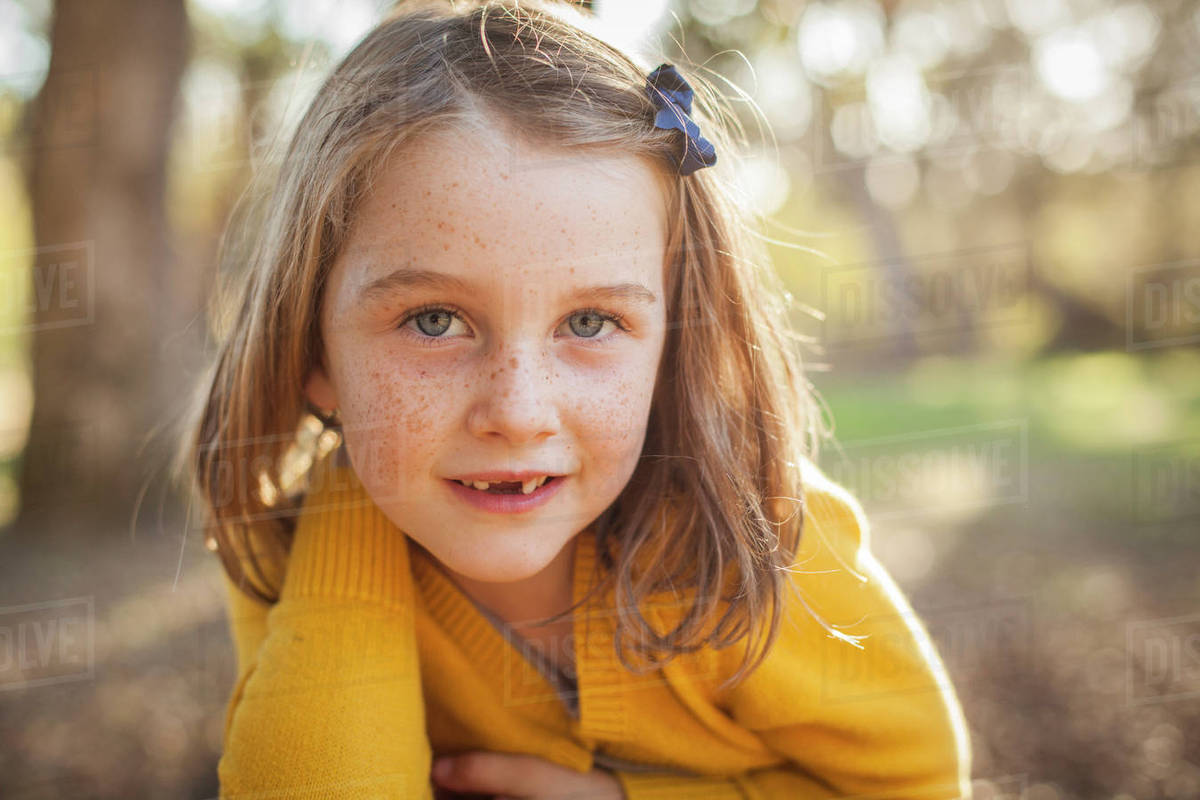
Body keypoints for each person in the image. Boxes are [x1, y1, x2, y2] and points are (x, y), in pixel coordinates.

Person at [175, 0, 973, 797]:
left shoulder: (756, 535)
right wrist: (344, 515)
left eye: (589, 321)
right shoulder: (277, 548)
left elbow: (921, 786)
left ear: (672, 344)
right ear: (310, 346)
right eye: (434, 320)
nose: (519, 411)